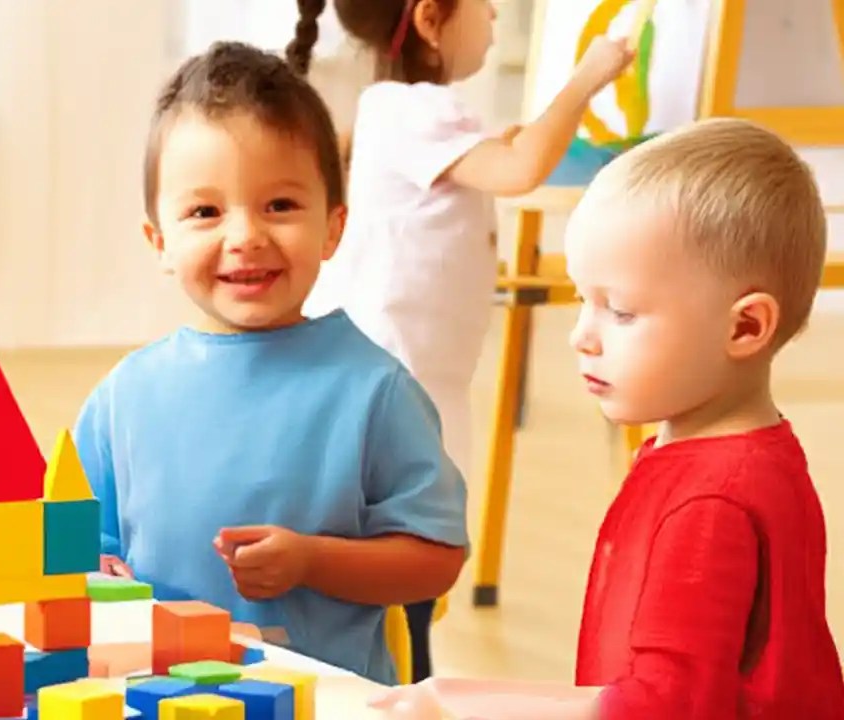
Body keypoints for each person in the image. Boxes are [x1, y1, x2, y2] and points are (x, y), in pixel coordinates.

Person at [370, 118, 844, 718]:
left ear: (744, 326)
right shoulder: (740, 455)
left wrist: (468, 707)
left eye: (619, 310)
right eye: (581, 300)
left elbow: (664, 707)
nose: (580, 337)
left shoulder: (713, 501)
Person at [72, 41, 468, 685]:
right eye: (205, 211)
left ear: (333, 228)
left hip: (320, 700)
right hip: (156, 694)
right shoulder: (125, 395)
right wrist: (93, 573)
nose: (245, 236)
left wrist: (313, 562)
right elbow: (79, 546)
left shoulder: (375, 390)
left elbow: (436, 559)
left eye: (279, 205)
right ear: (160, 241)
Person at [285, 0, 635, 680]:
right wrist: (587, 78)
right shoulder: (414, 109)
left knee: (415, 534)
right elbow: (521, 171)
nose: (496, 12)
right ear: (428, 18)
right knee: (412, 536)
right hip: (400, 368)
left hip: (416, 369)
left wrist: (510, 140)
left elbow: (503, 162)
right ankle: (389, 668)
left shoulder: (403, 108)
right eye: (483, 4)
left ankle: (393, 662)